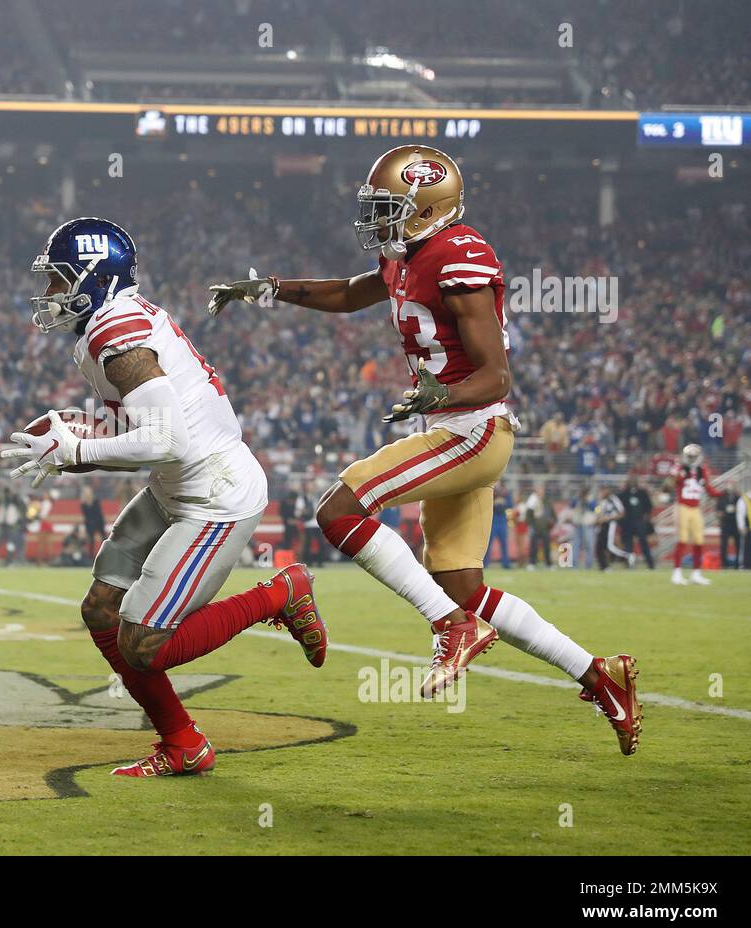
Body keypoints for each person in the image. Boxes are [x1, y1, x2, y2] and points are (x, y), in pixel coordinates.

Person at [210, 144, 641, 755]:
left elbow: (496, 375)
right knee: (462, 582)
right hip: (452, 429)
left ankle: (450, 627)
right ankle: (601, 677)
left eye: (390, 207)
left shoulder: (458, 254)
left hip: (473, 429)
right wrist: (271, 288)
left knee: (339, 508)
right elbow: (355, 292)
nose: (378, 220)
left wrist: (440, 394)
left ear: (426, 208)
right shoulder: (407, 254)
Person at [3, 217, 328, 778]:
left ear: (93, 278)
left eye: (59, 279)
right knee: (101, 609)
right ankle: (182, 742)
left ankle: (281, 593)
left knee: (145, 644)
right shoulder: (109, 324)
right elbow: (149, 426)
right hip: (179, 483)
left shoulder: (115, 332)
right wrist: (74, 432)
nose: (51, 291)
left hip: (214, 495)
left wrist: (74, 452)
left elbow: (164, 439)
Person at [669, 443, 719, 585]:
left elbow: (709, 489)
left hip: (696, 508)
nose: (691, 459)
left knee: (698, 540)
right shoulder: (679, 468)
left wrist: (723, 494)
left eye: (693, 456)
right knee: (682, 539)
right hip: (682, 506)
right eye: (689, 456)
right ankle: (676, 573)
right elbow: (668, 485)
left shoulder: (702, 470)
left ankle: (696, 573)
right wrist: (678, 474)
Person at [618, 474, 655, 569]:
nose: (632, 482)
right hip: (627, 523)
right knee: (628, 544)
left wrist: (645, 517)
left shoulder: (642, 493)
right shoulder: (623, 494)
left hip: (639, 522)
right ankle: (629, 563)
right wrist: (622, 521)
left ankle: (650, 564)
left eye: (634, 480)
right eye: (630, 480)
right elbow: (619, 509)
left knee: (644, 543)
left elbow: (649, 506)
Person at [594, 486, 632, 570]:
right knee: (600, 547)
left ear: (607, 491)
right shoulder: (602, 501)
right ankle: (604, 566)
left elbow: (622, 513)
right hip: (602, 525)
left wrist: (608, 518)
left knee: (609, 546)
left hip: (611, 524)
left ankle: (628, 556)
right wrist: (599, 518)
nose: (601, 493)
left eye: (603, 491)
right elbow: (598, 512)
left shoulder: (613, 499)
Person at [0, 484, 26, 566]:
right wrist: (0, 490)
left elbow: (22, 506)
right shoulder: (3, 500)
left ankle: (9, 561)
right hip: (2, 525)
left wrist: (14, 494)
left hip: (11, 526)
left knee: (10, 545)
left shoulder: (16, 500)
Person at [486, 484, 511, 568]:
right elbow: (485, 504)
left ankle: (506, 563)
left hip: (502, 520)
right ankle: (485, 563)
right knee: (488, 543)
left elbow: (510, 504)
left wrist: (504, 502)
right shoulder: (490, 491)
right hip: (493, 519)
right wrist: (494, 502)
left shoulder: (505, 492)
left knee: (504, 543)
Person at [718, 484, 741, 570]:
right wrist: (721, 513)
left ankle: (737, 564)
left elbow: (741, 509)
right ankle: (724, 564)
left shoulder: (738, 497)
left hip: (735, 524)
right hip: (725, 524)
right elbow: (718, 510)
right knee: (724, 545)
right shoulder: (722, 497)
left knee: (738, 544)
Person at [80, 486, 106, 557]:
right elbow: (86, 515)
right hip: (90, 524)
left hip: (99, 522)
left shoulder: (96, 501)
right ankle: (91, 557)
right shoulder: (83, 504)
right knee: (91, 541)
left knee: (104, 539)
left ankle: (105, 554)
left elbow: (98, 512)